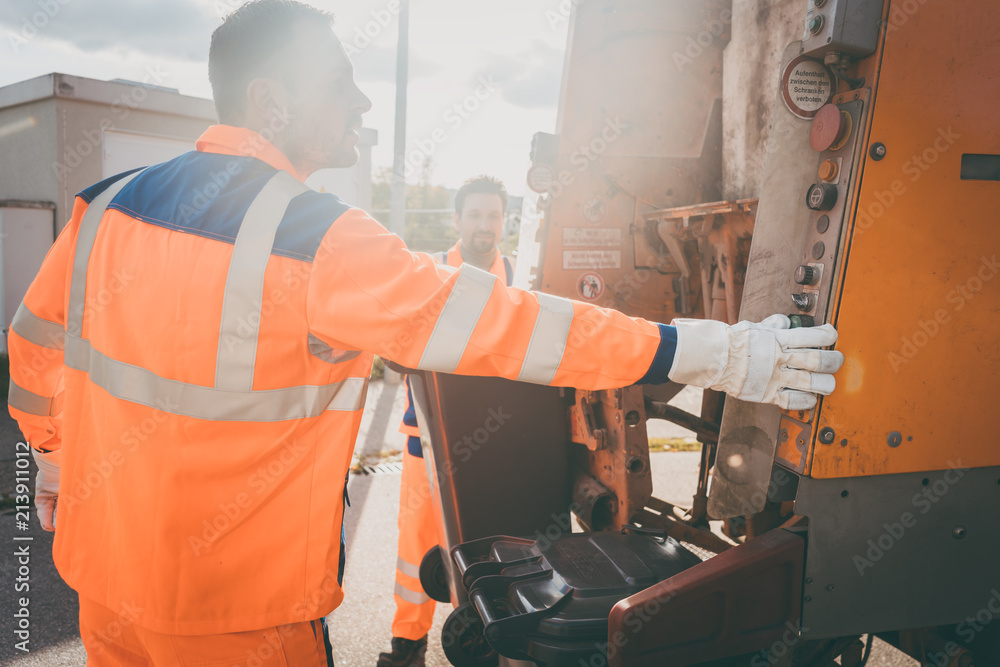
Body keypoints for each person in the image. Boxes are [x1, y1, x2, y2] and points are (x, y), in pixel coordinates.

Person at [5, 1, 843, 665]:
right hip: (234, 619)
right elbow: (518, 329)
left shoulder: (105, 205)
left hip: (104, 585)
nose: (362, 100)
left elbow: (34, 352)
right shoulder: (311, 236)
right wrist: (724, 352)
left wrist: (48, 457)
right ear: (272, 101)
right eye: (342, 82)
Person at [379, 176, 514, 667]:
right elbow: (392, 341)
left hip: (494, 438)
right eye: (475, 215)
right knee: (416, 544)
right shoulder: (427, 275)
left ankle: (493, 641)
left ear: (505, 222)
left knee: (491, 545)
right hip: (429, 436)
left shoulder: (516, 279)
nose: (485, 225)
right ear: (457, 220)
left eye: (494, 216)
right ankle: (406, 648)